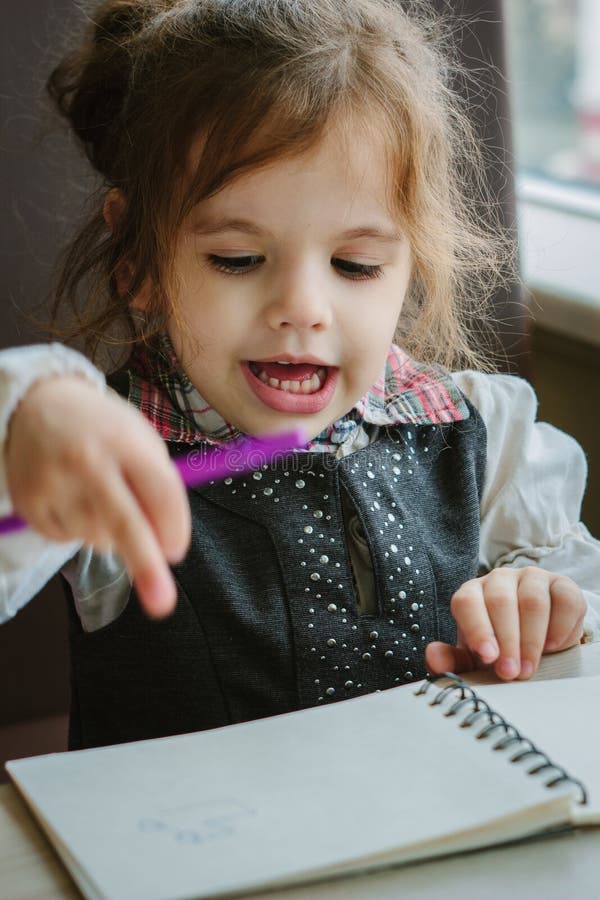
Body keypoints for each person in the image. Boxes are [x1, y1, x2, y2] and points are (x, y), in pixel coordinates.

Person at [1, 0, 598, 749]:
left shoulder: (481, 433)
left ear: (409, 265)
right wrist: (23, 421)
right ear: (140, 261)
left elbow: (575, 597)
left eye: (356, 265)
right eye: (238, 259)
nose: (302, 309)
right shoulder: (106, 458)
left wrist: (547, 604)